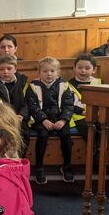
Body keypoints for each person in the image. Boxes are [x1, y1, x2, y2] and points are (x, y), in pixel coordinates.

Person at [26, 56, 75, 185]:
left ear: (57, 72)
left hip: (60, 119)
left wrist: (63, 120)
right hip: (40, 120)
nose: (49, 74)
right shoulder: (33, 87)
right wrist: (43, 120)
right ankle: (39, 167)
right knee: (42, 135)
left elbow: (68, 105)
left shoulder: (64, 86)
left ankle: (67, 166)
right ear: (39, 73)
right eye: (45, 71)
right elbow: (33, 106)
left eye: (52, 71)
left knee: (66, 135)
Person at [0, 55, 30, 155]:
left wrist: (22, 115)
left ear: (15, 69)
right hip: (1, 119)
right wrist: (8, 117)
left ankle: (20, 161)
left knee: (24, 134)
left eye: (9, 68)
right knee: (2, 136)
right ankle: (5, 162)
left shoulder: (23, 83)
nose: (6, 72)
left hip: (20, 118)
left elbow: (27, 102)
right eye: (2, 69)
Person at [68, 54, 102, 142]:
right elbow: (69, 105)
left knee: (107, 127)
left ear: (94, 70)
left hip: (97, 114)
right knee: (90, 129)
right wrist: (83, 112)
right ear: (74, 68)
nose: (83, 71)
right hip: (79, 116)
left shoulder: (98, 82)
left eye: (87, 68)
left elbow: (103, 101)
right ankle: (93, 153)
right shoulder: (68, 85)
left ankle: (102, 151)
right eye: (80, 67)